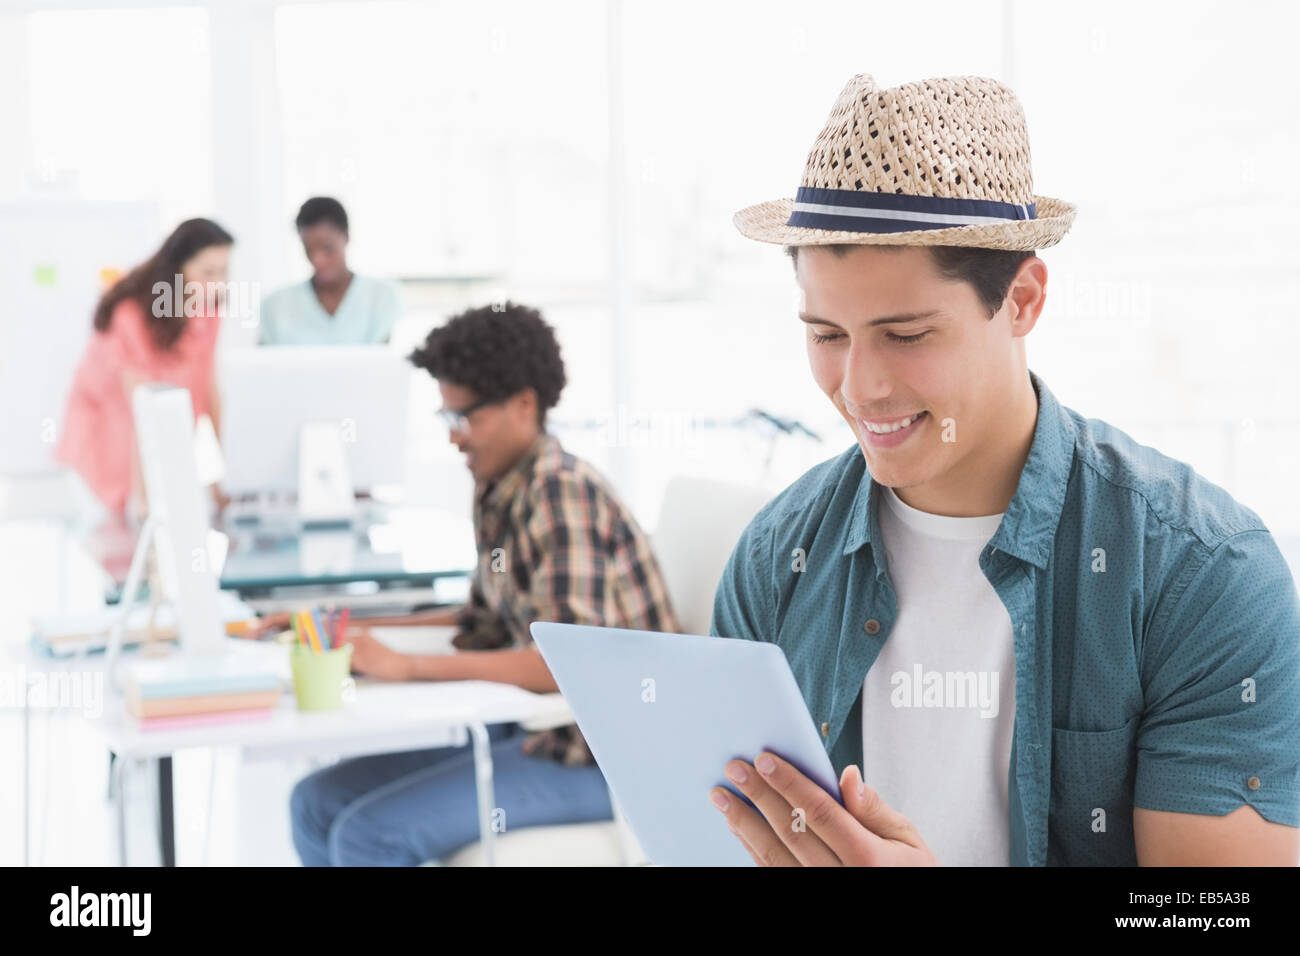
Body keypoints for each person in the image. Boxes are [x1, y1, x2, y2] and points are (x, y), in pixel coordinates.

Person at [708, 73, 1300, 866]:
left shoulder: (1201, 569)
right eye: (826, 334)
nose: (859, 388)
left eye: (907, 335)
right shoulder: (774, 559)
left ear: (1021, 299)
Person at [289, 301, 679, 866]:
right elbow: (478, 620)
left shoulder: (559, 493)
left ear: (524, 405)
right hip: (540, 737)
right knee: (315, 802)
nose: (455, 439)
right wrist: (336, 627)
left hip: (607, 760)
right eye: (447, 419)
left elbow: (568, 665)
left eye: (465, 418)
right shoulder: (501, 487)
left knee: (370, 835)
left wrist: (407, 665)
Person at [56, 218, 233, 519]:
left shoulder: (208, 309)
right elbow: (143, 410)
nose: (216, 283)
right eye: (207, 273)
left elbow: (208, 390)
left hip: (159, 451)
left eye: (223, 272)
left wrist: (222, 481)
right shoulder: (131, 313)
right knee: (119, 545)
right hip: (106, 450)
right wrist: (146, 499)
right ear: (177, 269)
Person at [257, 197, 401, 346]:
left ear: (346, 237)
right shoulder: (275, 307)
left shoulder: (383, 297)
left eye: (327, 248)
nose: (317, 260)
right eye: (309, 250)